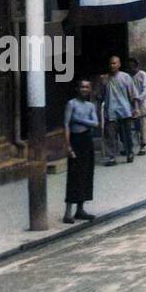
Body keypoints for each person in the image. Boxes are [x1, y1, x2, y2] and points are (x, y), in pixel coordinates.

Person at [62, 80, 100, 222]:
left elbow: (95, 123)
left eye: (87, 87)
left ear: (90, 89)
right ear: (77, 89)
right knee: (74, 175)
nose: (84, 89)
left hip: (87, 141)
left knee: (86, 174)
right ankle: (67, 212)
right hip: (75, 140)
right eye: (82, 87)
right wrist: (68, 146)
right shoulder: (71, 104)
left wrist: (78, 119)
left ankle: (80, 209)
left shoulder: (90, 106)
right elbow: (66, 124)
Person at [101, 56, 138, 165]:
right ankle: (112, 157)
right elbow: (101, 95)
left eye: (114, 63)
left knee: (126, 134)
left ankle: (129, 152)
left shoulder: (125, 77)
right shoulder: (106, 79)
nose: (112, 65)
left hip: (124, 110)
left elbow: (133, 93)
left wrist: (135, 108)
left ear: (119, 64)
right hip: (111, 111)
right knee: (110, 135)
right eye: (111, 63)